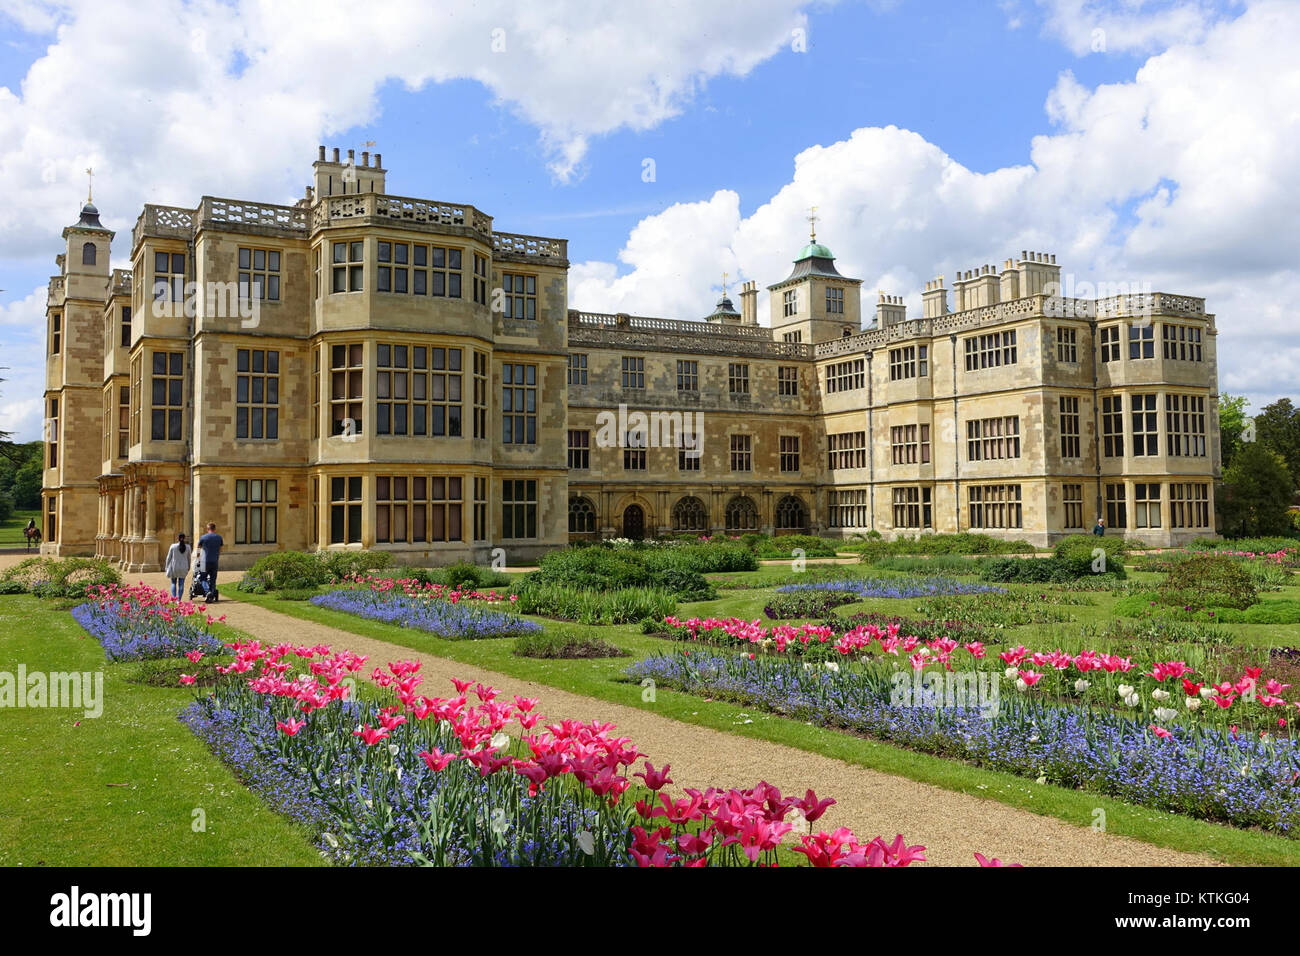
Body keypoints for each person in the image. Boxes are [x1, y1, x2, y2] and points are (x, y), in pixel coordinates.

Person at [196, 522, 225, 602]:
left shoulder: (203, 537)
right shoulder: (219, 537)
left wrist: (198, 558)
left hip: (204, 561)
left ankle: (207, 591)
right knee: (213, 579)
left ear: (207, 529)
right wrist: (217, 557)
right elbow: (220, 550)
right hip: (214, 561)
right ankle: (211, 594)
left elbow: (198, 548)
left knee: (202, 578)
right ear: (214, 529)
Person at [164, 532, 191, 599]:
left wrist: (166, 567)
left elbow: (168, 557)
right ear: (184, 538)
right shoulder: (188, 547)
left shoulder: (173, 546)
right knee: (181, 584)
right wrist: (189, 566)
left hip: (174, 567)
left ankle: (174, 598)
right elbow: (189, 558)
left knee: (173, 583)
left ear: (177, 538)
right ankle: (179, 599)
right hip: (183, 567)